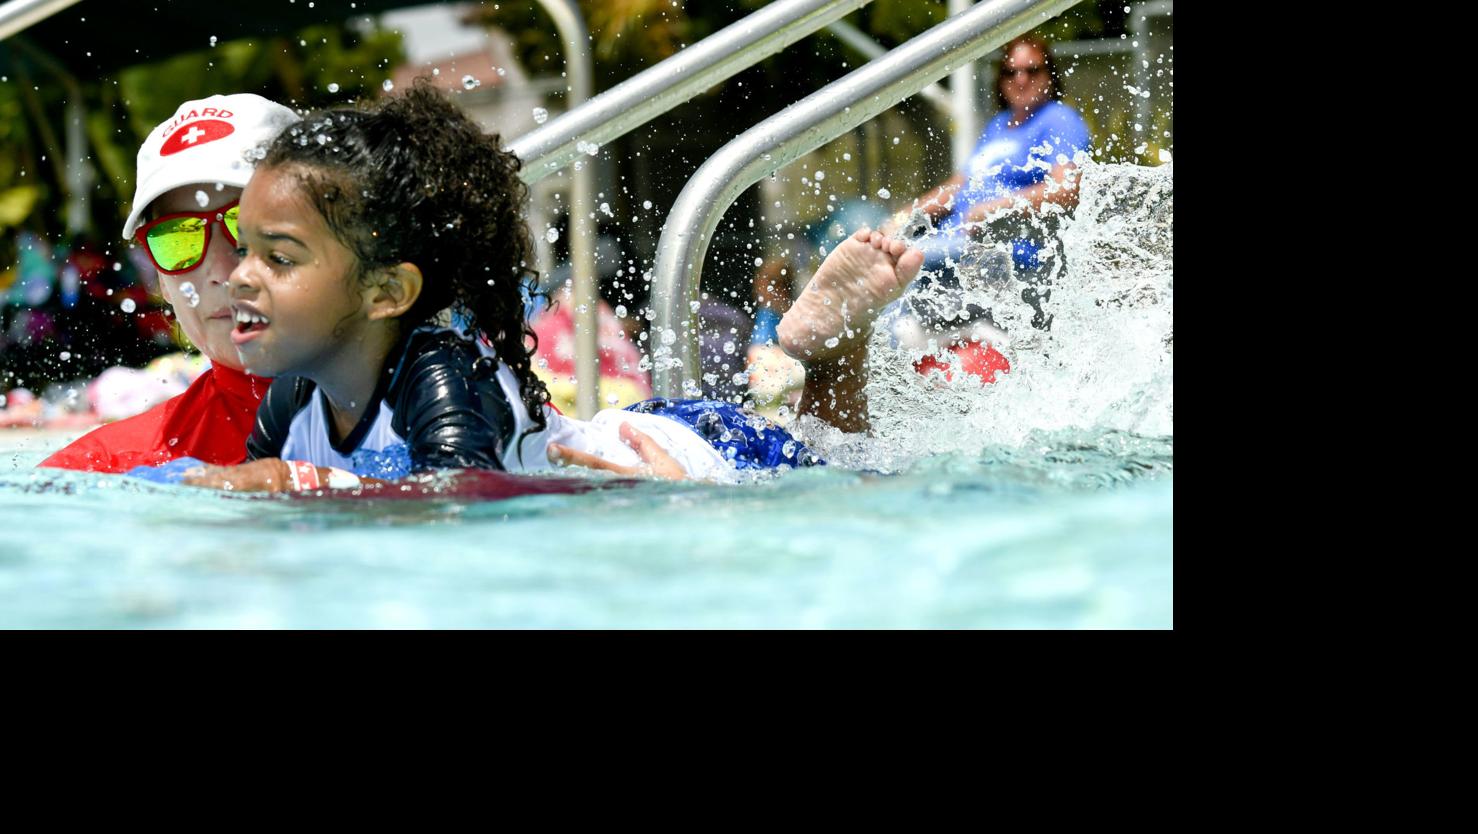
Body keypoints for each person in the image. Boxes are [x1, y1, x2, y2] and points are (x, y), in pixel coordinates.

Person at [170, 84, 920, 493]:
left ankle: (834, 350)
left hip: (683, 456)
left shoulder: (440, 373)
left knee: (849, 478)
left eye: (279, 256)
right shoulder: (294, 398)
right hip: (603, 449)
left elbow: (466, 504)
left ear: (385, 293)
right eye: (247, 248)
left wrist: (304, 484)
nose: (237, 274)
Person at [38, 95, 300, 472]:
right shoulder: (102, 467)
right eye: (178, 239)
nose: (225, 271)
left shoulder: (410, 418)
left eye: (248, 224)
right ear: (160, 278)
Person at [888, 35, 1090, 284]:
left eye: (1032, 70)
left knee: (900, 265)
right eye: (1010, 72)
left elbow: (1066, 189)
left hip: (1008, 249)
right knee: (886, 248)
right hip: (956, 242)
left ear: (1049, 75)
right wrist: (902, 219)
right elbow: (958, 186)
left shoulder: (1059, 119)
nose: (1021, 79)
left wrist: (993, 209)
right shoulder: (998, 126)